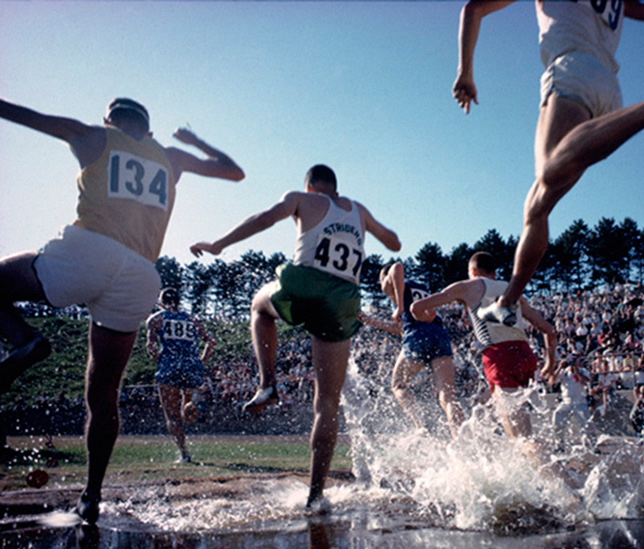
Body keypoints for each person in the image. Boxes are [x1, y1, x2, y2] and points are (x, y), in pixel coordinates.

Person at [0, 97, 244, 524]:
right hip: (140, 274)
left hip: (87, 252)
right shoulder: (171, 157)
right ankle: (91, 496)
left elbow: (29, 117)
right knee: (103, 395)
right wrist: (195, 140)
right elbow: (233, 171)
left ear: (109, 120)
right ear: (148, 130)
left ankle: (25, 340)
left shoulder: (95, 135)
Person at [453, 0, 644, 326]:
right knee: (536, 206)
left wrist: (465, 73)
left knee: (549, 168)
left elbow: (473, 8)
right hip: (609, 89)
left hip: (571, 70)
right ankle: (508, 302)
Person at [190, 164, 401, 509]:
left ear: (309, 185)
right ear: (335, 188)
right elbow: (394, 242)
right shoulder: (357, 209)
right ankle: (316, 495)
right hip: (343, 298)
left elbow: (264, 218)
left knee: (259, 306)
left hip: (306, 282)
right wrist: (371, 229)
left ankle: (267, 382)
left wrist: (219, 244)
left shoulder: (302, 199)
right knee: (328, 404)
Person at [409, 251, 556, 446]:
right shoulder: (513, 291)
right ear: (493, 274)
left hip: (500, 356)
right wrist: (551, 362)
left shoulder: (468, 286)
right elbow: (549, 330)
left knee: (524, 442)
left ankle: (562, 477)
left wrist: (423, 318)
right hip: (525, 355)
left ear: (472, 271)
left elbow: (416, 307)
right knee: (505, 422)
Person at [359, 262, 465, 438]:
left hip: (418, 335)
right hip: (439, 334)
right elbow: (402, 329)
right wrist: (371, 321)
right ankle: (462, 439)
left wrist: (399, 306)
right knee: (447, 397)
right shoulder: (419, 288)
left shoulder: (392, 287)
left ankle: (421, 426)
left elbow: (398, 267)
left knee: (398, 385)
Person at [146, 287, 216, 463]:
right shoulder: (192, 319)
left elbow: (152, 349)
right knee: (186, 414)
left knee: (171, 415)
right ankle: (191, 403)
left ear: (161, 303)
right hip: (191, 366)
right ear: (179, 302)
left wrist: (158, 358)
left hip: (169, 366)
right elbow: (211, 342)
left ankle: (184, 453)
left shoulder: (156, 319)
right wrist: (201, 361)